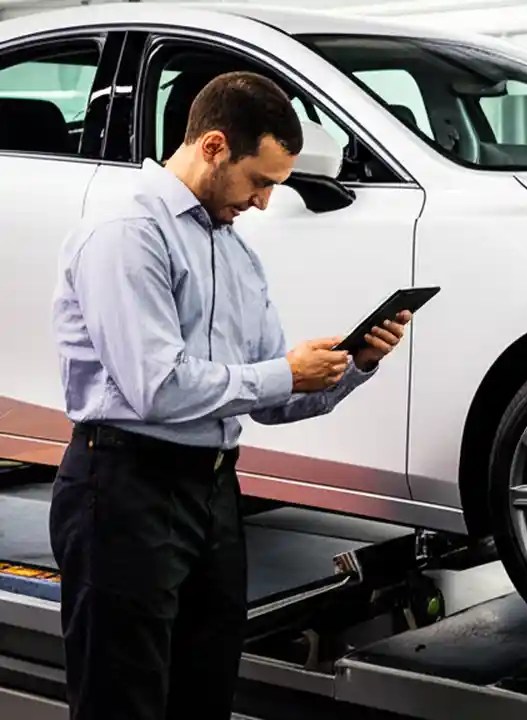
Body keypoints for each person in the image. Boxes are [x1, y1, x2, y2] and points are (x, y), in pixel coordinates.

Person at [47, 71, 410, 720]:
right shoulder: (128, 234)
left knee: (204, 698)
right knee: (120, 703)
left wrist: (350, 365)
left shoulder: (237, 255)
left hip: (212, 493)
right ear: (214, 146)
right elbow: (156, 387)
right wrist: (285, 372)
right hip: (125, 488)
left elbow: (268, 397)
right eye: (261, 181)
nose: (266, 202)